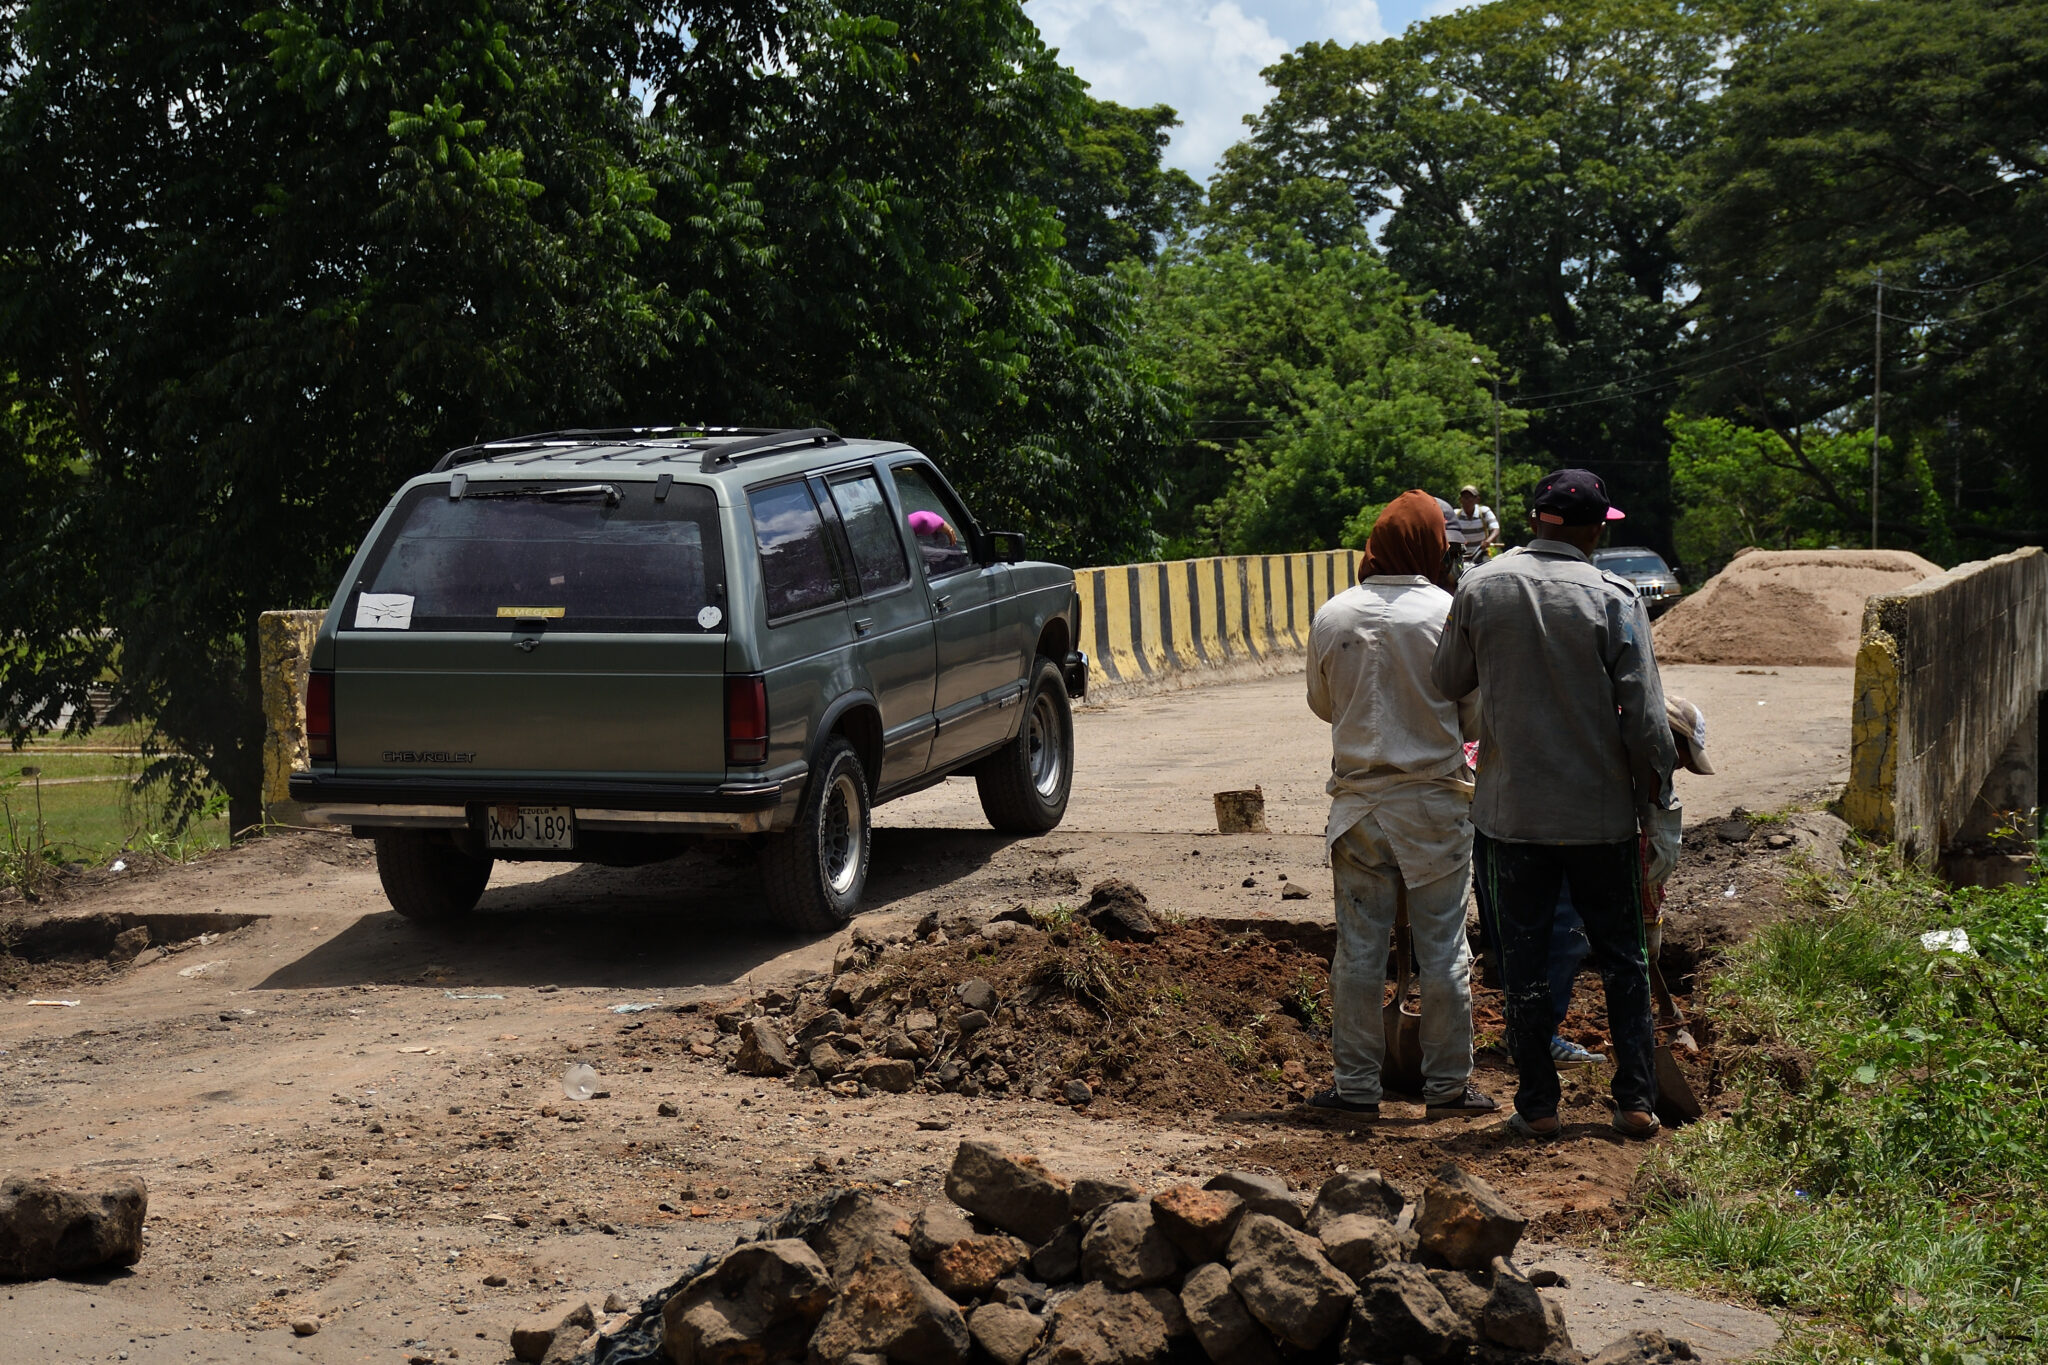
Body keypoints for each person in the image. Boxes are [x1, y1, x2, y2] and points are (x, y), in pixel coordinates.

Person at [1431, 468, 1680, 1141]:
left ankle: (1538, 1104)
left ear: (1538, 519)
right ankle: (1634, 1100)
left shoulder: (1482, 588)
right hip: (1599, 817)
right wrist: (1660, 803)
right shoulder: (1613, 597)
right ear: (1595, 527)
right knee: (1623, 957)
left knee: (1524, 958)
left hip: (1511, 818)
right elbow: (1647, 720)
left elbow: (1447, 678)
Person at [1305, 490, 1496, 1118]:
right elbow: (1473, 717)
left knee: (1358, 952)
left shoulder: (1333, 616)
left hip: (1357, 809)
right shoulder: (1449, 612)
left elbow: (1322, 705)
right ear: (1434, 547)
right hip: (1435, 812)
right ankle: (1447, 1088)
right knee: (1444, 950)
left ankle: (1356, 1089)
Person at [1450, 485, 1500, 565]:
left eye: (1470, 497)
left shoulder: (1484, 512)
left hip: (1480, 553)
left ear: (1477, 499)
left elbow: (1495, 529)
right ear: (1460, 500)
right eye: (1464, 497)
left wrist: (1488, 541)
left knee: (1487, 571)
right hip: (1461, 555)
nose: (1467, 500)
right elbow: (1448, 531)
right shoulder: (1455, 514)